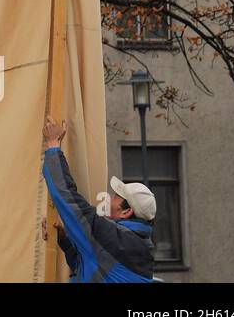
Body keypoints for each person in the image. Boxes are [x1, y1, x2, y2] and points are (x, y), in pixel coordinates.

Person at [41, 117, 157, 282]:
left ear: (126, 211)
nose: (109, 199)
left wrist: (53, 146)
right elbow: (93, 270)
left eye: (116, 197)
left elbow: (68, 198)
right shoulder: (139, 246)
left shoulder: (114, 238)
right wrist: (64, 239)